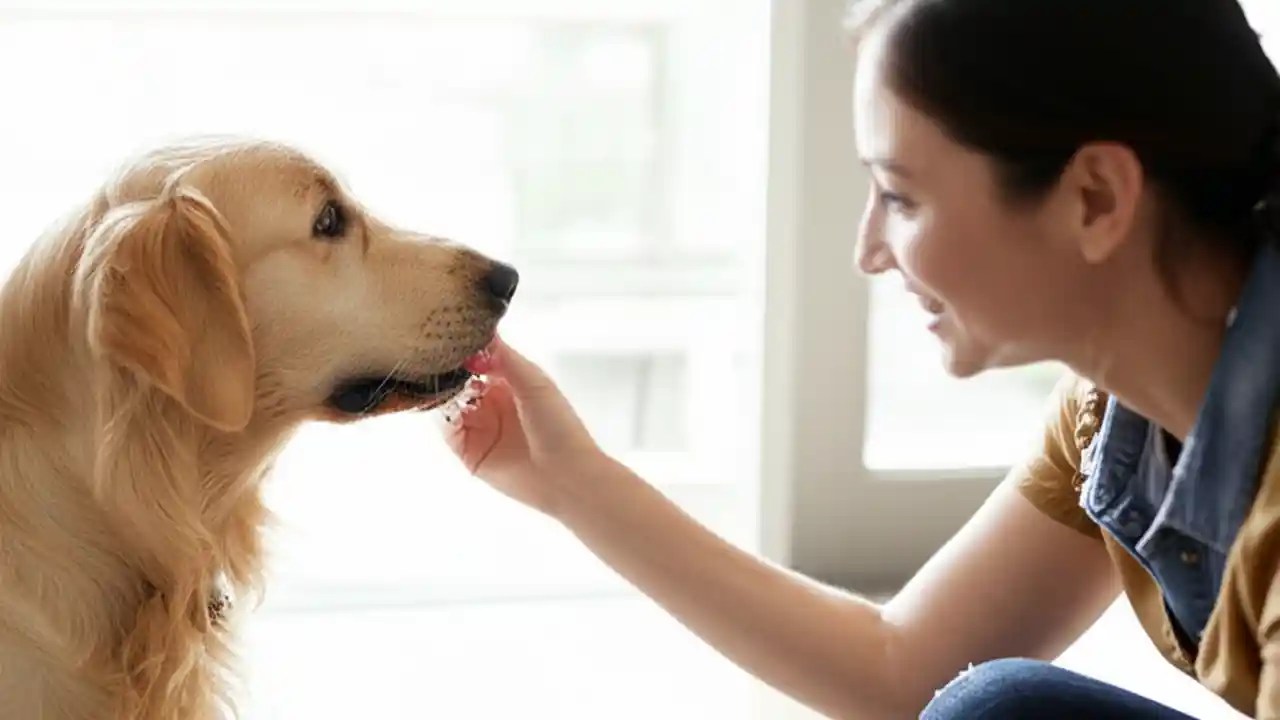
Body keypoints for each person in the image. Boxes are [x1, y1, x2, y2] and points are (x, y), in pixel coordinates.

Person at [440, 0, 1280, 717]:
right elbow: (903, 670)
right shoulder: (1115, 408)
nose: (870, 251)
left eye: (902, 196)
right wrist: (570, 479)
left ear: (1095, 198)